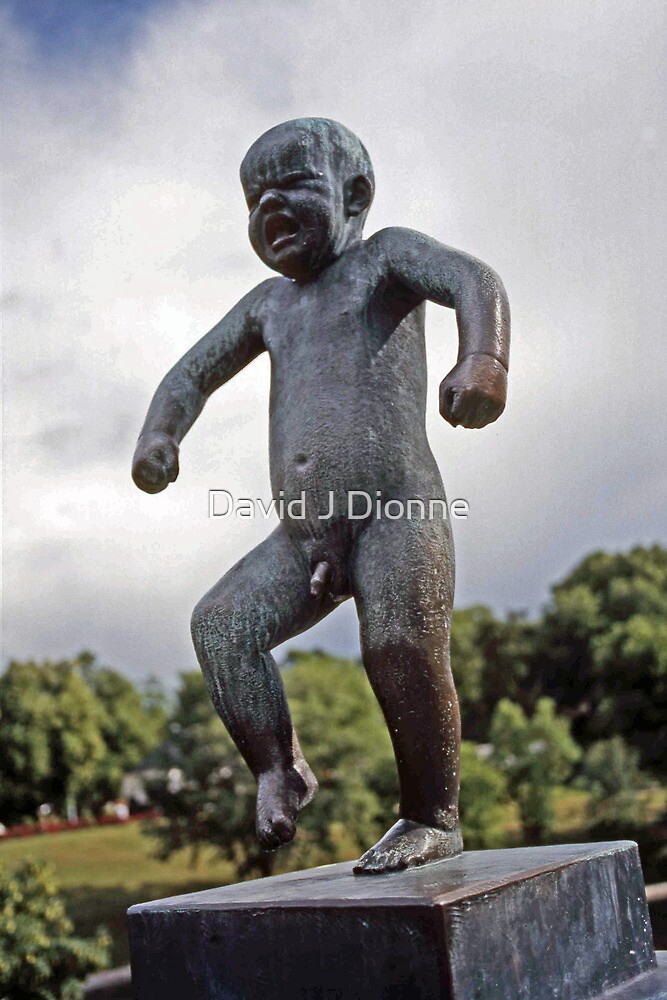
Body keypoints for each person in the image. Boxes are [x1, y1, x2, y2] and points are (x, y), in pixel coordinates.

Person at [132, 118, 510, 873]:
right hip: (302, 538)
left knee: (399, 645)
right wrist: (159, 433)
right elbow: (189, 374)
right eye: (253, 196)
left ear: (355, 194)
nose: (269, 205)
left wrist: (485, 358)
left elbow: (474, 280)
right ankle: (278, 766)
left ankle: (431, 815)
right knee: (222, 627)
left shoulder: (384, 260)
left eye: (293, 184)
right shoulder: (268, 305)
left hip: (396, 513)